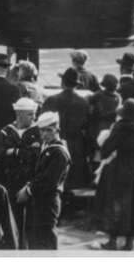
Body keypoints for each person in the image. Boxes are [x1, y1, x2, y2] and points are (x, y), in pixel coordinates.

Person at [93, 98, 134, 250]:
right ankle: (129, 242)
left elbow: (106, 150)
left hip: (118, 169)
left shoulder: (119, 128)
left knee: (114, 204)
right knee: (133, 205)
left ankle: (112, 240)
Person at [19, 111, 71, 249]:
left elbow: (49, 180)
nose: (44, 134)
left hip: (48, 202)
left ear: (57, 130)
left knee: (45, 241)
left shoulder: (59, 151)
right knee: (35, 241)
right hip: (38, 201)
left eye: (49, 130)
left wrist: (28, 190)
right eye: (42, 131)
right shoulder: (47, 147)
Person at [0, 97, 40, 246]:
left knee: (31, 221)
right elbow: (0, 156)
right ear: (19, 114)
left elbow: (35, 155)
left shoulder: (37, 131)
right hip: (11, 181)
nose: (34, 117)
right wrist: (23, 151)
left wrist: (13, 151)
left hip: (29, 181)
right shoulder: (6, 131)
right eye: (30, 114)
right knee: (13, 218)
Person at [42, 67, 92, 195]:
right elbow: (86, 124)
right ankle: (72, 205)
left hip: (56, 139)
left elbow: (42, 122)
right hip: (76, 142)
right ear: (76, 85)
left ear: (62, 82)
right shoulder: (83, 102)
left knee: (55, 172)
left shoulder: (51, 100)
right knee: (74, 176)